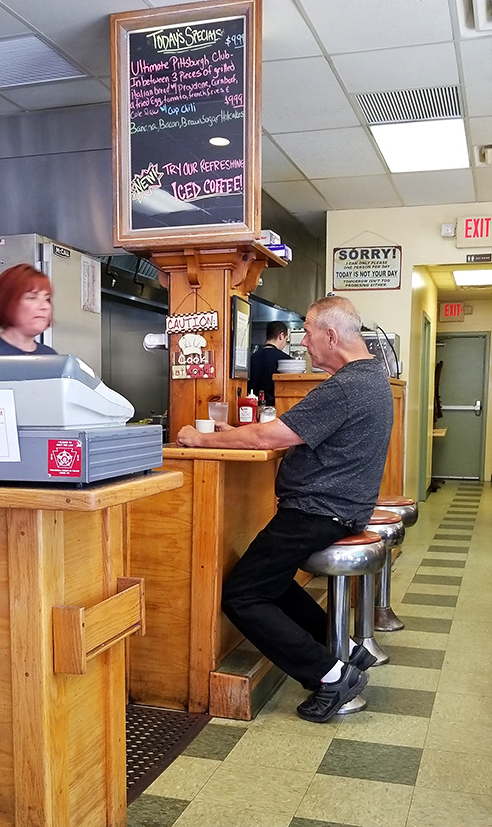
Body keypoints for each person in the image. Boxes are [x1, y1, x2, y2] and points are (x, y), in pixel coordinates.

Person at [176, 296, 393, 723]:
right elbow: (283, 433)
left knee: (242, 595)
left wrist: (202, 440)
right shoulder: (370, 377)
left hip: (319, 510)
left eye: (308, 334)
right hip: (338, 507)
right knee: (269, 583)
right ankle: (344, 651)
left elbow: (268, 439)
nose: (304, 344)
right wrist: (236, 432)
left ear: (331, 335)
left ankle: (330, 676)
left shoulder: (348, 385)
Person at [248, 321, 291, 405]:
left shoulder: (252, 358)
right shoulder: (285, 361)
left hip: (252, 407)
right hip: (277, 408)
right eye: (286, 339)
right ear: (281, 335)